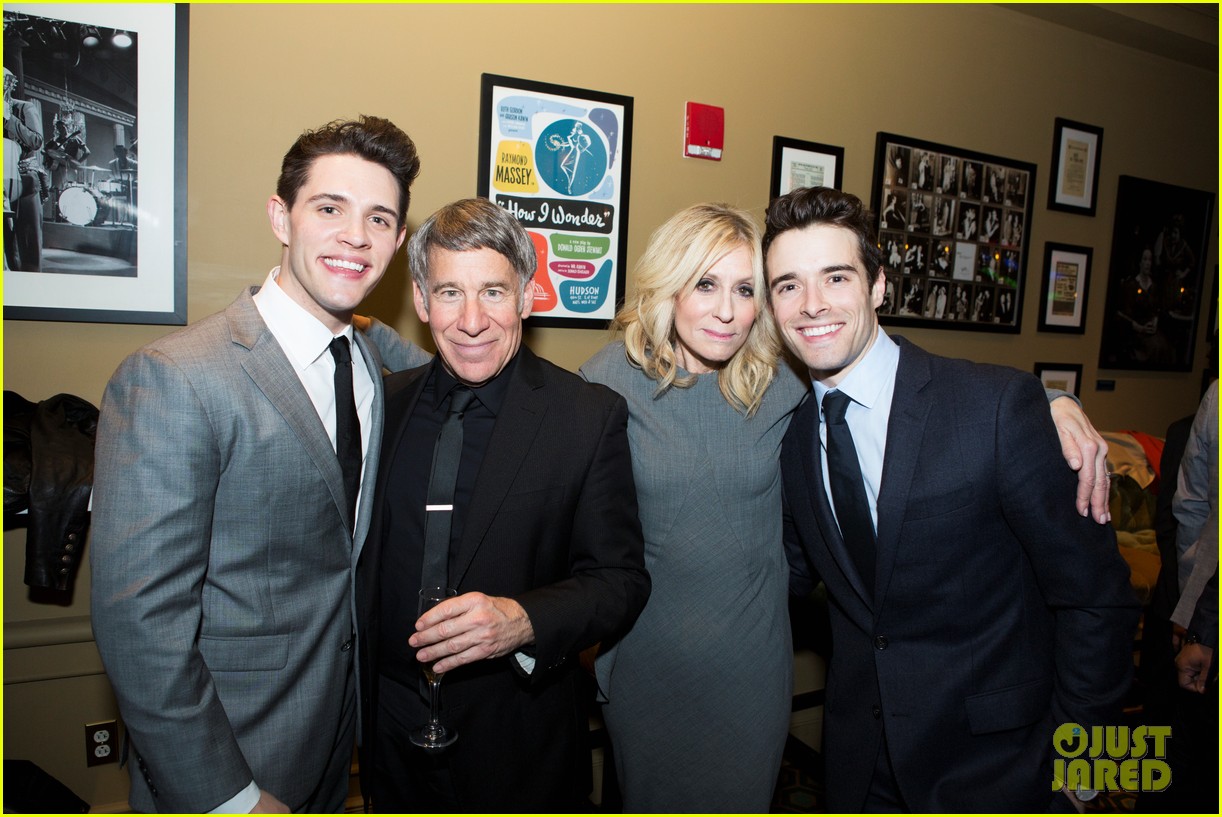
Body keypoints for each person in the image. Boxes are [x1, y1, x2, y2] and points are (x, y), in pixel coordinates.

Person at [764, 186, 1138, 812]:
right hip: (862, 766)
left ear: (878, 285)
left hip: (1003, 764)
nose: (812, 305)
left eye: (835, 276)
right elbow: (786, 576)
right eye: (787, 285)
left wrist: (1085, 775)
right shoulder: (796, 437)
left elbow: (1097, 598)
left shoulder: (994, 408)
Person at [91, 115, 427, 813]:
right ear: (281, 216)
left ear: (398, 240)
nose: (354, 237)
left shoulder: (376, 362)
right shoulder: (176, 378)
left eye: (378, 219)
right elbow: (141, 625)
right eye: (329, 208)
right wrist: (230, 797)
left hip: (335, 746)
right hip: (225, 761)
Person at [356, 197, 649, 811]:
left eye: (492, 291)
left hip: (520, 743)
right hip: (390, 740)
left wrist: (523, 620)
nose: (470, 321)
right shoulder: (383, 406)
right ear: (419, 299)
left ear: (525, 297)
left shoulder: (585, 417)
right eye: (449, 293)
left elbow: (620, 580)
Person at [578, 203, 808, 811]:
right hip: (647, 666)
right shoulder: (608, 382)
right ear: (669, 285)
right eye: (705, 284)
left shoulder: (785, 382)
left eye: (745, 289)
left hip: (750, 670)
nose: (727, 310)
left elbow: (883, 371)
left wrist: (1044, 404)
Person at [4, 66, 45, 271]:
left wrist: (9, 119)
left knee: (28, 240)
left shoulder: (25, 108)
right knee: (6, 241)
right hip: (3, 179)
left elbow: (36, 141)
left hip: (24, 178)